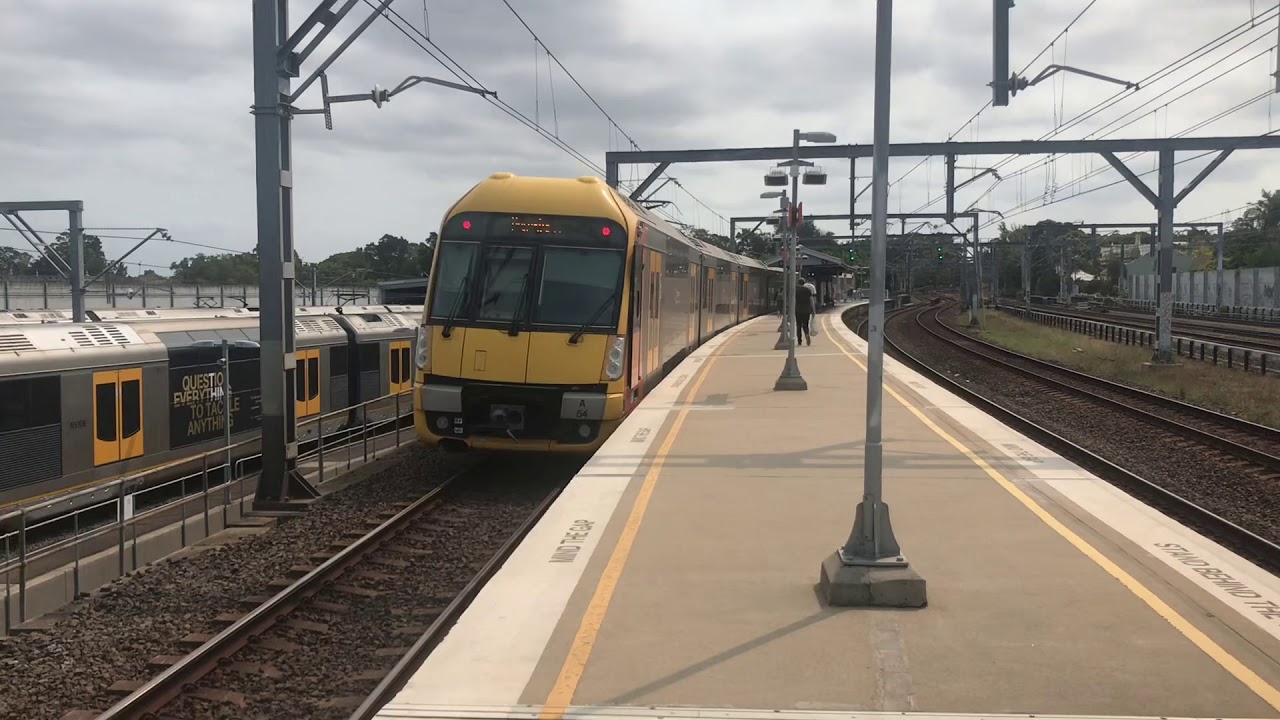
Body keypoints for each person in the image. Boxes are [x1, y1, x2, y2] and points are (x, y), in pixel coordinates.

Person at [794, 276, 815, 346]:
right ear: (804, 283)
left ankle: (799, 341)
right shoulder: (807, 290)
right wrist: (813, 311)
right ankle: (806, 334)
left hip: (798, 310)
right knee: (805, 325)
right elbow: (811, 301)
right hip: (806, 310)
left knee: (798, 325)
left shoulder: (795, 290)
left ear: (798, 283)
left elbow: (793, 301)